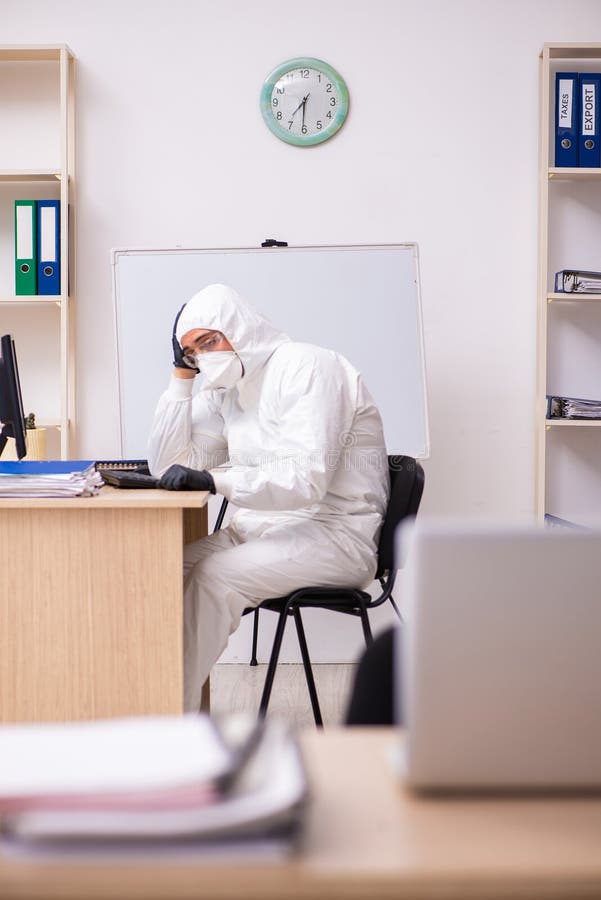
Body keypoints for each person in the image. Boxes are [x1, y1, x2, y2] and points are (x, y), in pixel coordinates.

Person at [148, 283, 389, 712]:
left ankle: (167, 718)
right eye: (192, 352)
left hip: (335, 535)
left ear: (239, 328)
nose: (204, 357)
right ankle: (144, 697)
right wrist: (181, 376)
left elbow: (305, 480)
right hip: (261, 528)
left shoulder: (309, 367)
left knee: (213, 577)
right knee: (156, 571)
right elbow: (168, 464)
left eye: (209, 342)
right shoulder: (227, 391)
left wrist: (215, 481)